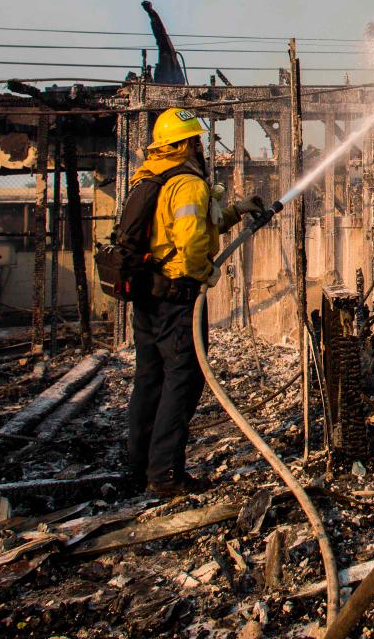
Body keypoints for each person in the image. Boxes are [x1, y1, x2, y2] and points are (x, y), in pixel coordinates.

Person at [126, 108, 258, 497]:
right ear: (182, 145)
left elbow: (191, 227)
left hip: (147, 296)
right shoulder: (187, 183)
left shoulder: (149, 175)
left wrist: (236, 211)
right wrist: (203, 275)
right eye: (196, 140)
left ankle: (139, 466)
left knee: (149, 379)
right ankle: (165, 474)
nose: (201, 147)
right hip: (177, 298)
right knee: (182, 381)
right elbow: (191, 242)